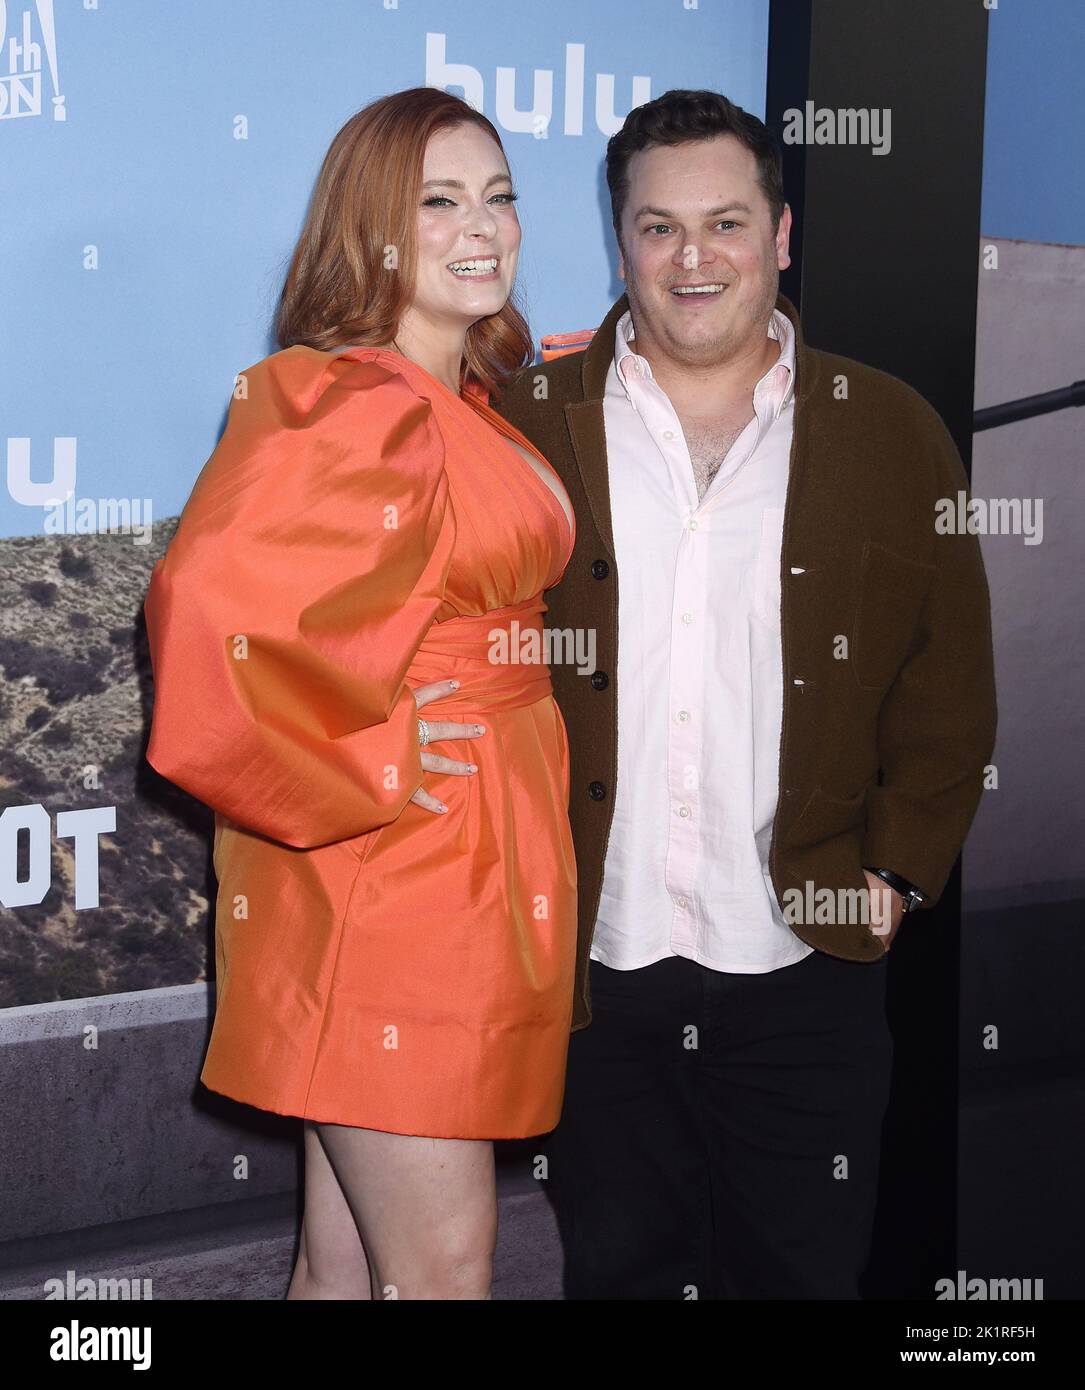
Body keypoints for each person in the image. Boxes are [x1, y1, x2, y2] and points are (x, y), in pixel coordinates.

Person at [492, 89, 998, 1298]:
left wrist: (894, 869)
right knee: (618, 1276)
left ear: (780, 235)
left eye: (725, 222)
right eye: (656, 227)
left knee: (802, 1274)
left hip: (803, 960)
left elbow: (950, 670)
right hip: (596, 971)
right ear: (620, 243)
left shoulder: (887, 428)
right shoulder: (524, 424)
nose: (691, 258)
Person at [142, 88, 578, 1301]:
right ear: (371, 226)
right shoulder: (351, 400)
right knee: (440, 1271)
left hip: (469, 853)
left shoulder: (458, 401)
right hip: (403, 872)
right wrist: (378, 756)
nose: (481, 225)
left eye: (498, 196)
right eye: (437, 201)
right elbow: (206, 631)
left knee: (343, 1268)